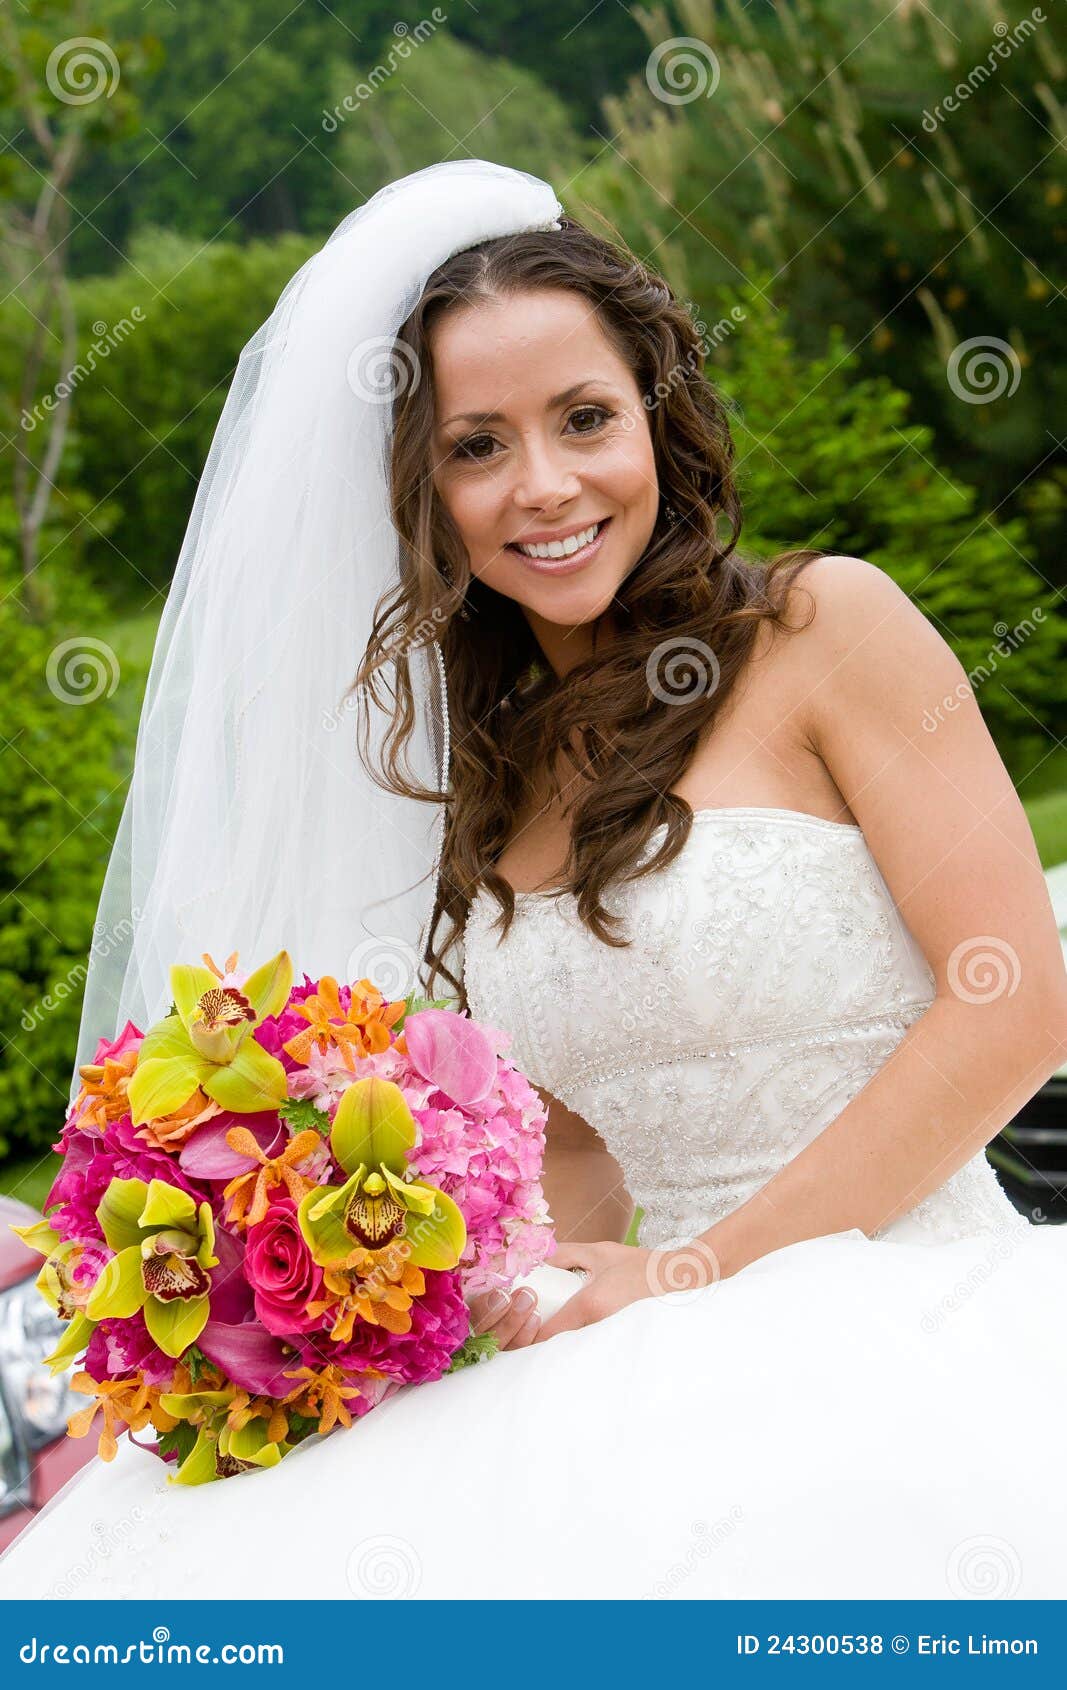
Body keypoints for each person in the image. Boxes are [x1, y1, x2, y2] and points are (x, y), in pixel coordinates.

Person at [2, 159, 1067, 1602]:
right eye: (477, 446)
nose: (545, 487)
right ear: (422, 488)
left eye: (583, 420)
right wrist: (371, 1303)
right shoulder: (490, 774)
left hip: (910, 1298)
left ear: (657, 416)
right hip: (652, 1332)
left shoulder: (826, 629)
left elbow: (1014, 1008)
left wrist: (705, 1272)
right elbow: (570, 1147)